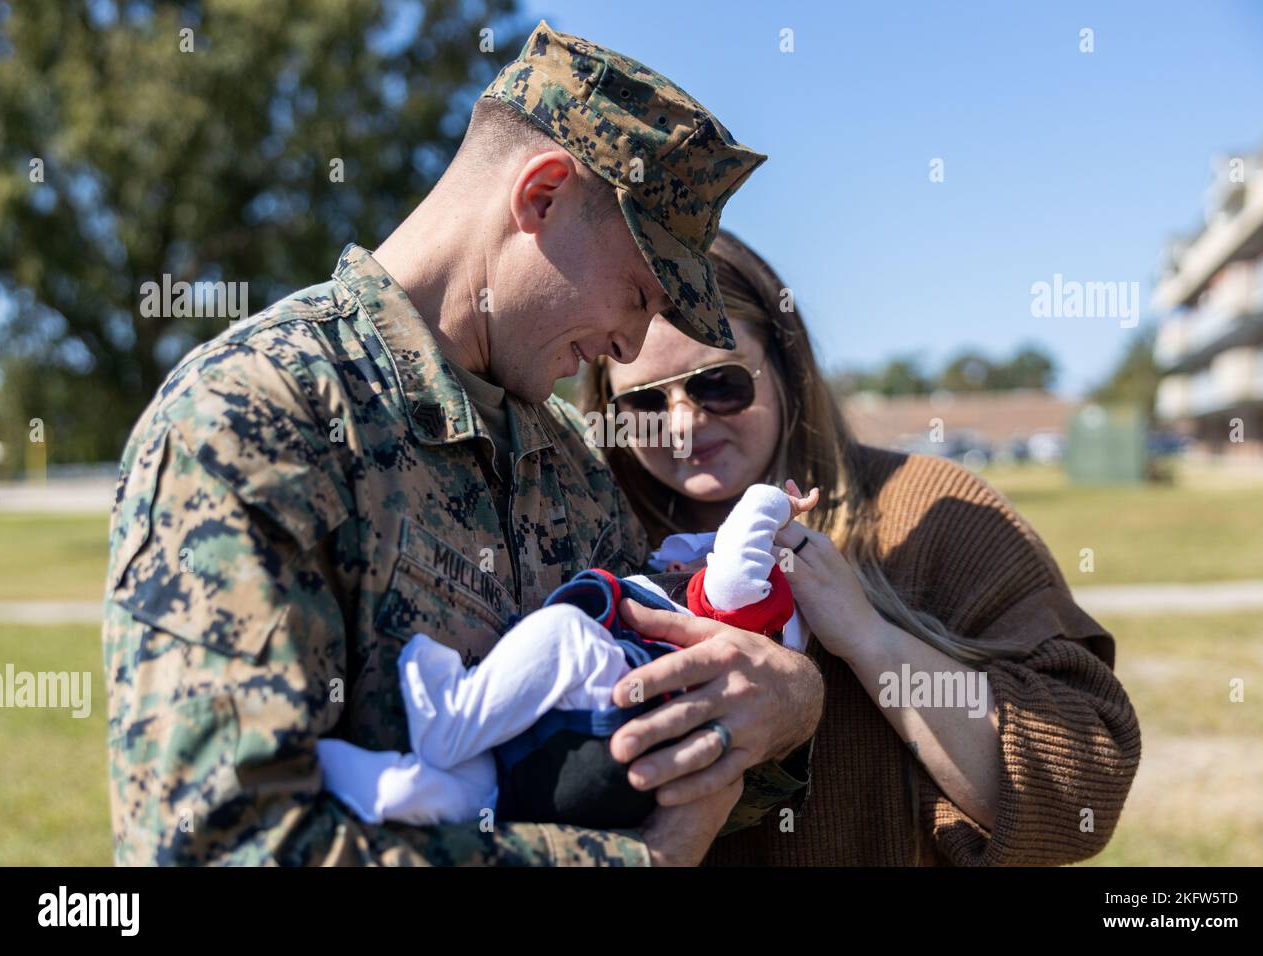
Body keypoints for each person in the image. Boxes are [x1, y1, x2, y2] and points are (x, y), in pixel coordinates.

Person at [103, 22, 824, 867]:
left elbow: (647, 748)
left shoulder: (568, 467)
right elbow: (222, 845)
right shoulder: (255, 415)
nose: (631, 349)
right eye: (637, 294)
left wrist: (789, 709)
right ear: (542, 195)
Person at [579, 230, 1144, 865]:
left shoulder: (933, 510)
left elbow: (1079, 794)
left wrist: (871, 641)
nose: (683, 422)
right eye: (646, 402)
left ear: (787, 369)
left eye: (719, 384)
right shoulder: (590, 540)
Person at [314, 481, 815, 829]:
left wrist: (774, 502)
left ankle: (450, 720)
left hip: (621, 703)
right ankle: (399, 790)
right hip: (608, 775)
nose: (682, 562)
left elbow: (736, 553)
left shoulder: (741, 606)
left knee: (568, 632)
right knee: (488, 789)